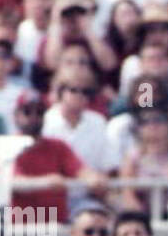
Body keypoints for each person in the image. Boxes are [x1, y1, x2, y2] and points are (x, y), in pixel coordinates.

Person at [11, 91, 108, 224]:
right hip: (20, 228)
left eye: (39, 112)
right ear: (16, 116)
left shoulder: (57, 146)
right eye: (27, 112)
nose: (34, 117)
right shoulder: (6, 147)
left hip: (56, 225)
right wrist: (45, 182)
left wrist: (93, 178)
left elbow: (79, 170)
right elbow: (10, 180)